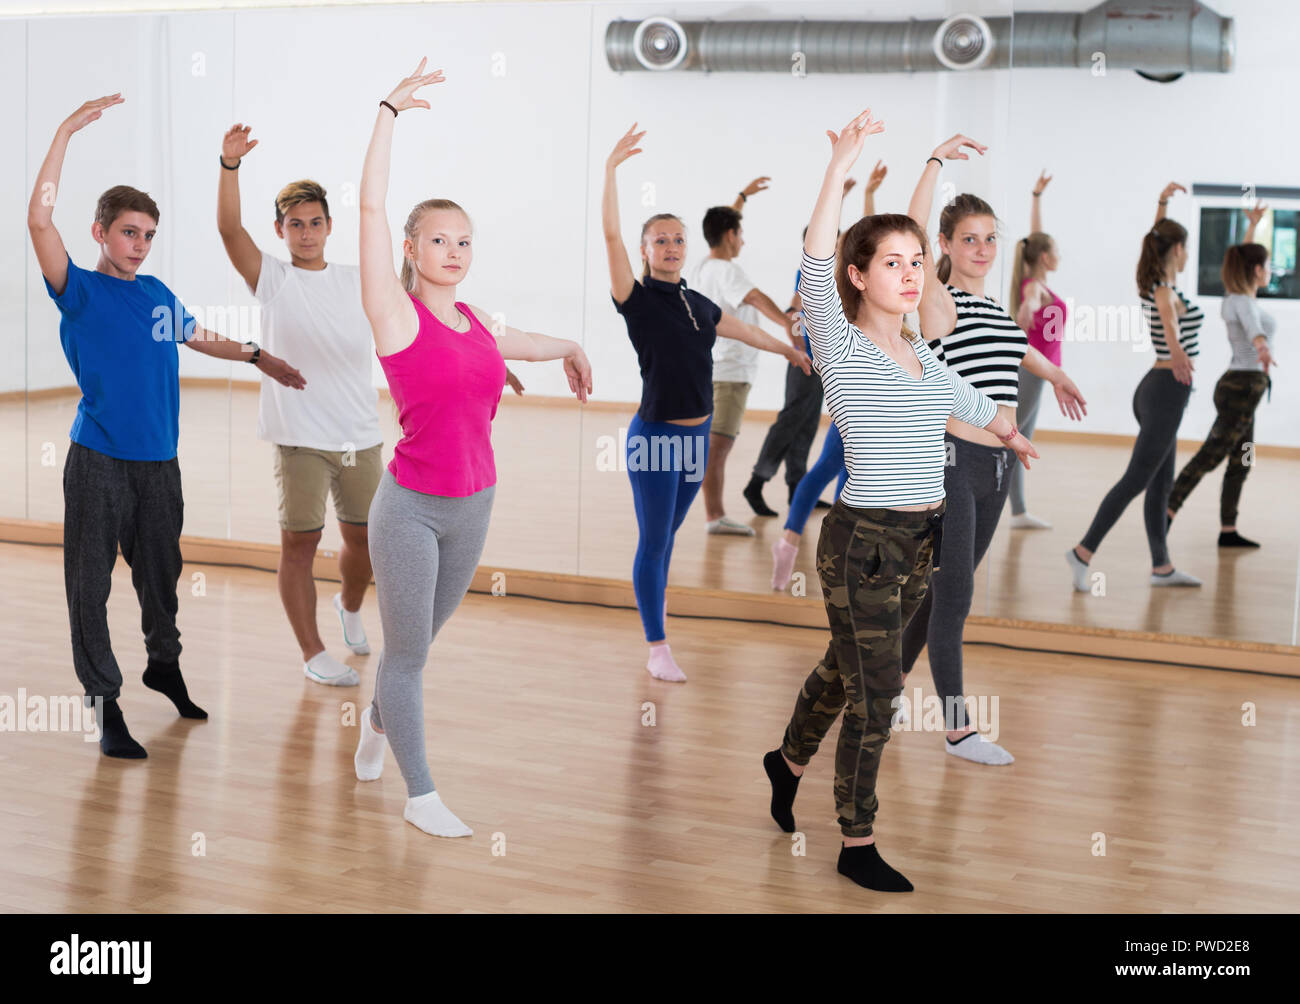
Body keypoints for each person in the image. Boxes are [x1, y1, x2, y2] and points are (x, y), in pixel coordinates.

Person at [762, 111, 1036, 892]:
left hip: (921, 539)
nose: (912, 273)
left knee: (844, 667)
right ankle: (857, 841)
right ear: (859, 276)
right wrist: (837, 171)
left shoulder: (919, 354)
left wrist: (1009, 434)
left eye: (918, 260)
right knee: (878, 695)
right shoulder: (840, 342)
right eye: (893, 262)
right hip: (863, 543)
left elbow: (968, 405)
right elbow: (817, 257)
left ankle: (786, 762)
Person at [352, 60, 593, 837]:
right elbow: (369, 205)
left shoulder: (477, 319)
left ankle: (379, 720)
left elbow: (521, 342)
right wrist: (388, 110)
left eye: (464, 241)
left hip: (475, 506)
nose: (454, 250)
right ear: (412, 249)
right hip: (410, 511)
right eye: (439, 240)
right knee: (408, 657)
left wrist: (569, 346)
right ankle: (420, 794)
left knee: (417, 643)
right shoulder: (394, 314)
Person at [28, 94, 304, 758]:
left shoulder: (154, 294)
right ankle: (106, 705)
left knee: (161, 577)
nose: (140, 245)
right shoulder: (79, 291)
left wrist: (258, 356)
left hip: (159, 462)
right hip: (98, 461)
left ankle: (164, 666)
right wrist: (65, 131)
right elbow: (38, 219)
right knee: (89, 586)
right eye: (130, 232)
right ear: (100, 232)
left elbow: (196, 334)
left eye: (149, 235)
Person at [898, 140, 1086, 765]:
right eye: (969, 239)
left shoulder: (994, 307)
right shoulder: (937, 302)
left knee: (941, 591)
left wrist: (1056, 375)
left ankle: (886, 685)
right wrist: (934, 162)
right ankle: (958, 730)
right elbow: (910, 229)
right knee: (955, 598)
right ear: (945, 246)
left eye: (989, 239)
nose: (981, 249)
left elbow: (1016, 349)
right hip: (953, 463)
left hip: (998, 469)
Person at [603, 123, 810, 683]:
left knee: (667, 538)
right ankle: (657, 646)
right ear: (646, 251)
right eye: (660, 240)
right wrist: (611, 170)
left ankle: (656, 608)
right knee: (653, 541)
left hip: (696, 438)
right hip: (655, 439)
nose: (671, 247)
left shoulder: (698, 302)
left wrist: (790, 350)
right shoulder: (636, 300)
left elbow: (747, 330)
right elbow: (611, 237)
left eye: (677, 240)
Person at [216, 124, 382, 688]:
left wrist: (489, 357)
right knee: (301, 545)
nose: (306, 233)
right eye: (295, 224)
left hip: (359, 436)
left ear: (330, 227)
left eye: (315, 223)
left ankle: (349, 606)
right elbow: (229, 229)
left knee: (365, 542)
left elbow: (423, 318)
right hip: (300, 440)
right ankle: (313, 652)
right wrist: (229, 165)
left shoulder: (359, 280)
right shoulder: (273, 278)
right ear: (280, 230)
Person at [1068, 183, 1203, 590]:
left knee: (1160, 483)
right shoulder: (1163, 290)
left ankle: (1162, 567)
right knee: (1137, 478)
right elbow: (1168, 317)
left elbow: (1155, 236)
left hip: (1157, 389)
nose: (1188, 253)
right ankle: (1082, 552)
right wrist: (1178, 352)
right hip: (1165, 390)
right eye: (1185, 247)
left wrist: (1162, 204)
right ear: (1177, 249)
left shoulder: (1157, 280)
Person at [769, 168, 889, 590]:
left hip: (870, 385)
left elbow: (873, 238)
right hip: (852, 385)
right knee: (832, 466)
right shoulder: (827, 280)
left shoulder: (858, 277)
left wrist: (861, 192)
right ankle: (792, 544)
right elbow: (799, 310)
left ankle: (832, 551)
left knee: (846, 470)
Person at [745, 164, 886, 517]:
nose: (838, 242)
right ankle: (757, 481)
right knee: (792, 418)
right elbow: (793, 312)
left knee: (808, 422)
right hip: (806, 357)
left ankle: (797, 488)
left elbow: (856, 235)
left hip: (826, 359)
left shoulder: (843, 273)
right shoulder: (812, 272)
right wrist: (797, 349)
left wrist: (844, 194)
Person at [692, 184, 804, 536]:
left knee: (715, 444)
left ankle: (713, 513)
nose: (743, 241)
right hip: (730, 373)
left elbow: (722, 224)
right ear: (730, 235)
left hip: (714, 368)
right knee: (719, 447)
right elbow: (754, 298)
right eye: (740, 234)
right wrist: (788, 325)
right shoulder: (728, 272)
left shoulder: (704, 266)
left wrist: (741, 199)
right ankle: (715, 516)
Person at [1166, 204, 1275, 547]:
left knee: (1242, 458)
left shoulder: (1237, 296)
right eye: (1267, 265)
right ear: (1257, 270)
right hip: (1243, 386)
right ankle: (1165, 512)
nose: (1269, 270)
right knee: (1211, 455)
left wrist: (1251, 227)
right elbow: (1254, 328)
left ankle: (1228, 530)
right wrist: (1262, 347)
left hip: (1242, 387)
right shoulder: (1242, 302)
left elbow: (1242, 259)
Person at [1007, 170, 1065, 529]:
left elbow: (1035, 237)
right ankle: (998, 501)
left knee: (1020, 439)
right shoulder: (1034, 289)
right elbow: (1028, 302)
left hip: (1038, 373)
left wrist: (1036, 197)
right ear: (1044, 257)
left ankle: (1018, 512)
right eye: (1054, 251)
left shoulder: (1037, 279)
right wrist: (1024, 313)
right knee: (1012, 439)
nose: (1059, 255)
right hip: (1029, 371)